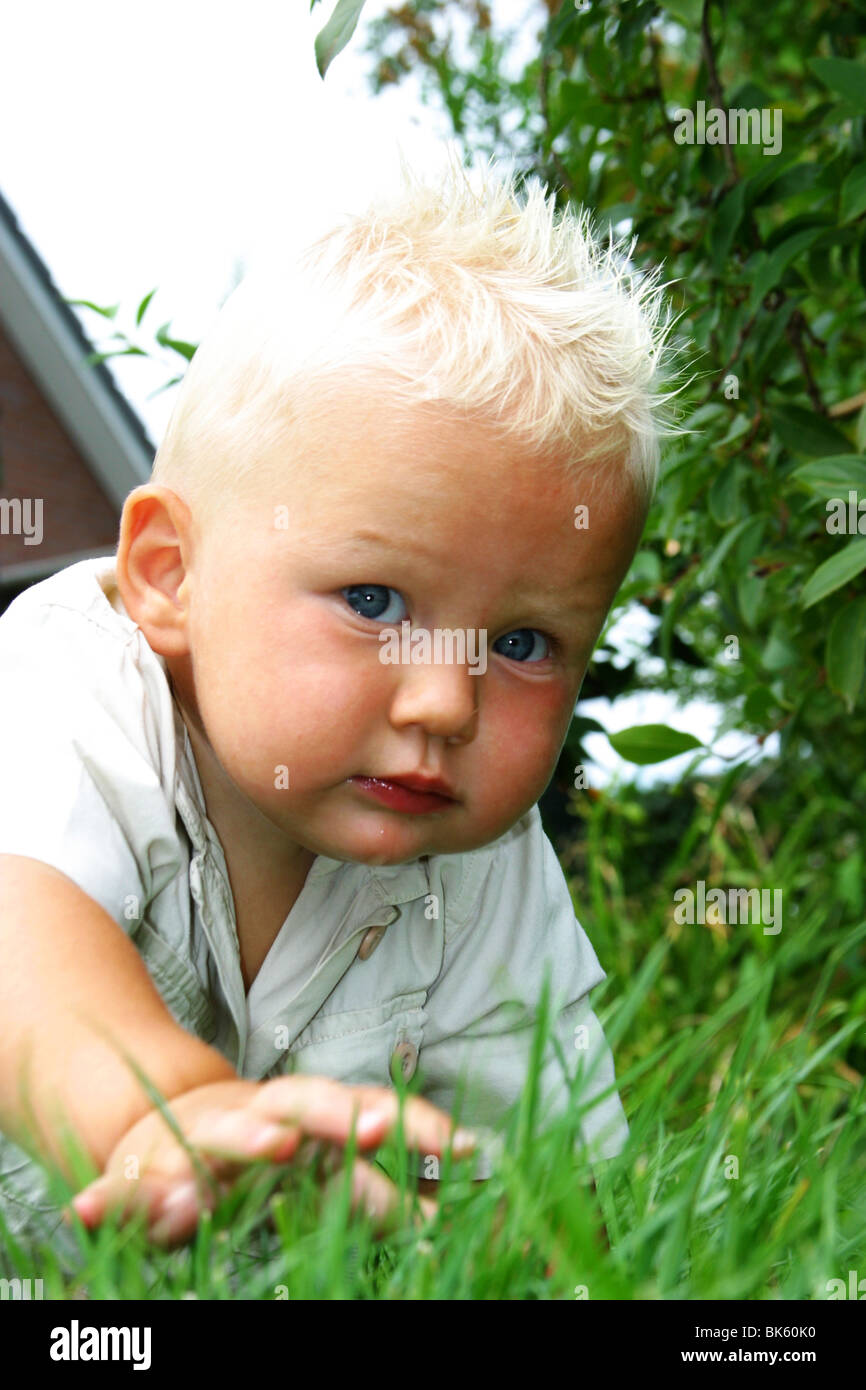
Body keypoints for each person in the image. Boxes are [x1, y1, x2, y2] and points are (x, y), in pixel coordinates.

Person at [0, 152, 674, 1258]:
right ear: (169, 576)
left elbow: (559, 1202)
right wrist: (159, 1114)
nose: (445, 701)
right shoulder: (72, 690)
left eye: (521, 643)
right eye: (374, 600)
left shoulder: (483, 869)